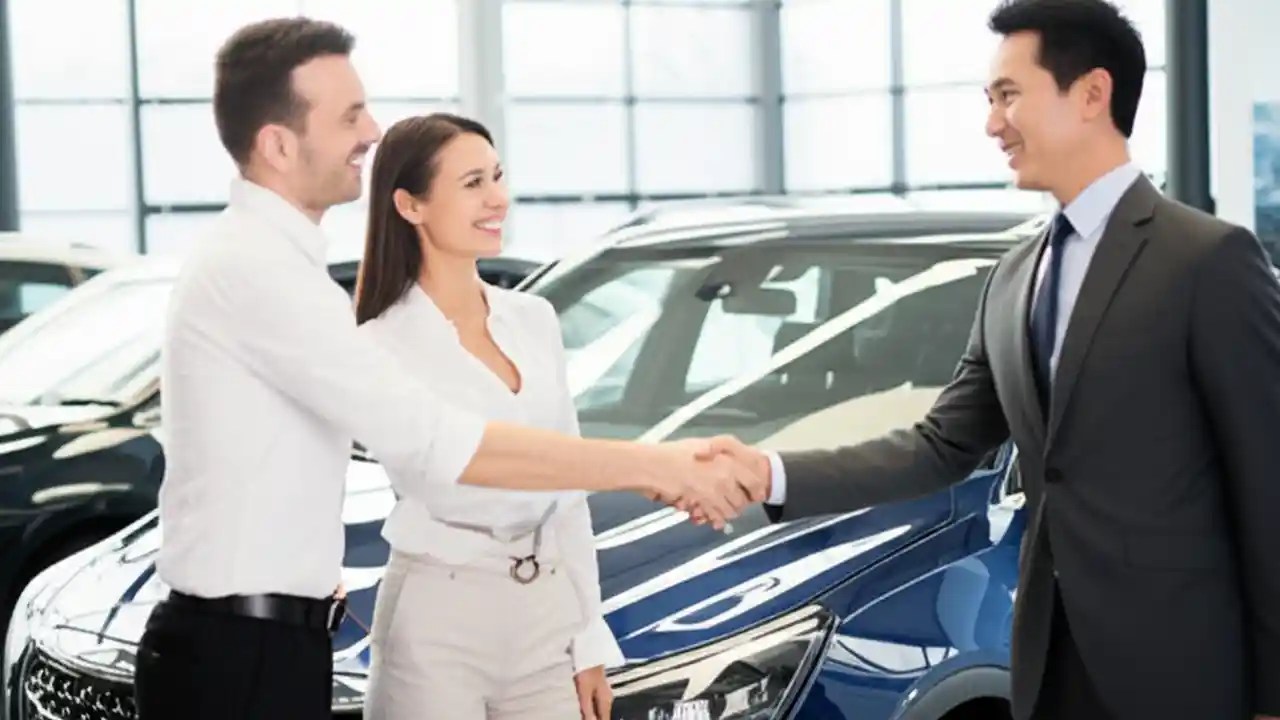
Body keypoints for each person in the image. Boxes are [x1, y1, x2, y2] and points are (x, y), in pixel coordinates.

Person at [133, 18, 765, 720]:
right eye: (348, 116)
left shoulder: (280, 266)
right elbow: (438, 442)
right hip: (248, 653)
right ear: (279, 144)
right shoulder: (260, 273)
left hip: (277, 641)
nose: (371, 132)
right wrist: (658, 466)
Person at [705, 2, 1280, 719]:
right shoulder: (1014, 278)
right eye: (989, 100)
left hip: (1182, 676)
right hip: (1044, 665)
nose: (992, 124)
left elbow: (1268, 486)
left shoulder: (1207, 260)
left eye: (1009, 95)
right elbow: (939, 446)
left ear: (1092, 94)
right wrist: (769, 473)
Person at [352, 113, 620, 720]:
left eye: (497, 177)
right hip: (439, 610)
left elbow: (570, 488)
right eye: (472, 183)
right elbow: (452, 467)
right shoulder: (378, 345)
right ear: (410, 205)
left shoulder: (533, 318)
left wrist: (589, 638)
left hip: (547, 606)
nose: (498, 198)